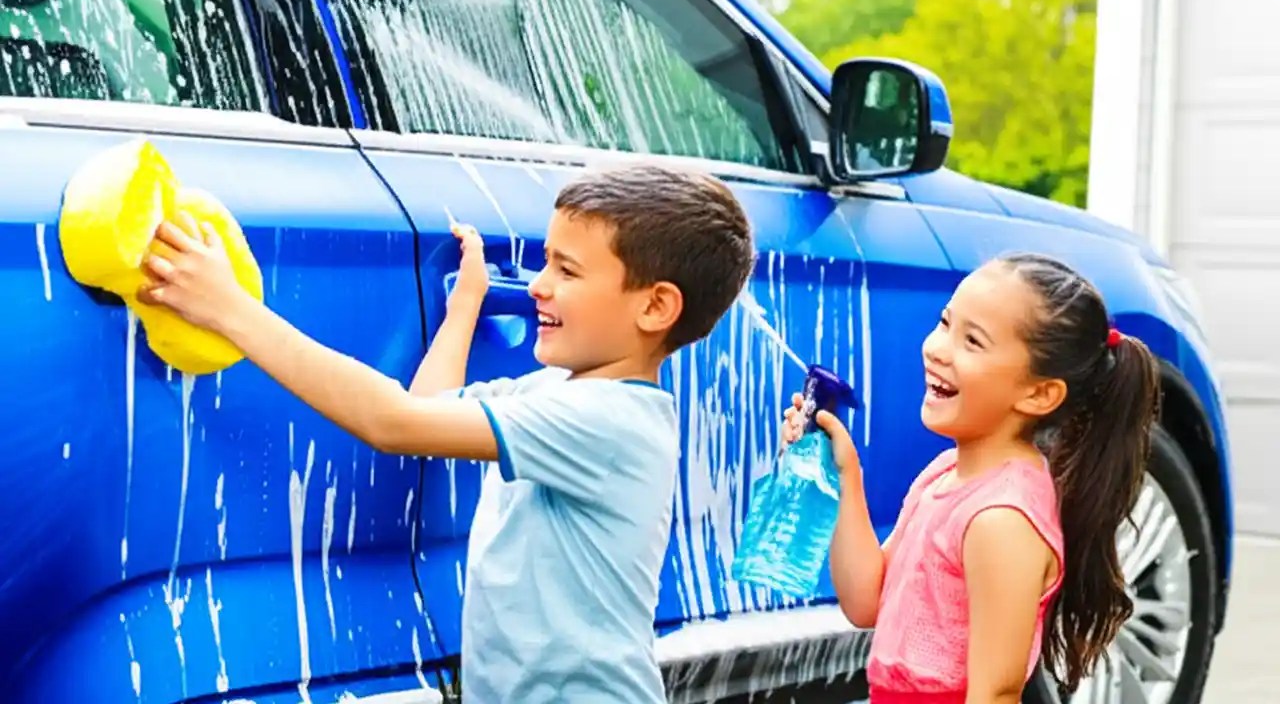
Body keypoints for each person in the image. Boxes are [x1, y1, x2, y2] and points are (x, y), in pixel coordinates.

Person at [138, 164, 757, 703]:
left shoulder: (612, 423)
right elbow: (429, 411)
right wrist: (464, 305)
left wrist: (233, 310)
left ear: (655, 307)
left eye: (566, 270)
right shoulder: (557, 393)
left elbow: (392, 424)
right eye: (545, 261)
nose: (539, 284)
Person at [782, 252, 1159, 703]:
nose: (937, 348)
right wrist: (843, 475)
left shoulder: (1002, 519)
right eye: (945, 323)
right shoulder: (944, 475)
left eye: (972, 341)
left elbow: (995, 694)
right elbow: (866, 601)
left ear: (1039, 393)